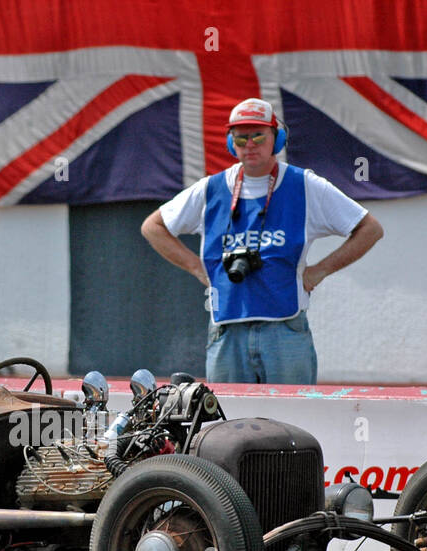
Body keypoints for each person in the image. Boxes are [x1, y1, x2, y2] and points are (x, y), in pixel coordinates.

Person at [140, 97, 384, 384]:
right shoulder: (211, 188)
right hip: (226, 329)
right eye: (241, 138)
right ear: (231, 143)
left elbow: (369, 229)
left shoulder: (304, 185)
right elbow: (153, 226)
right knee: (230, 424)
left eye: (258, 135)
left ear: (276, 138)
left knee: (292, 422)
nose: (250, 144)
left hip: (284, 329)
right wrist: (196, 268)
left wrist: (319, 271)